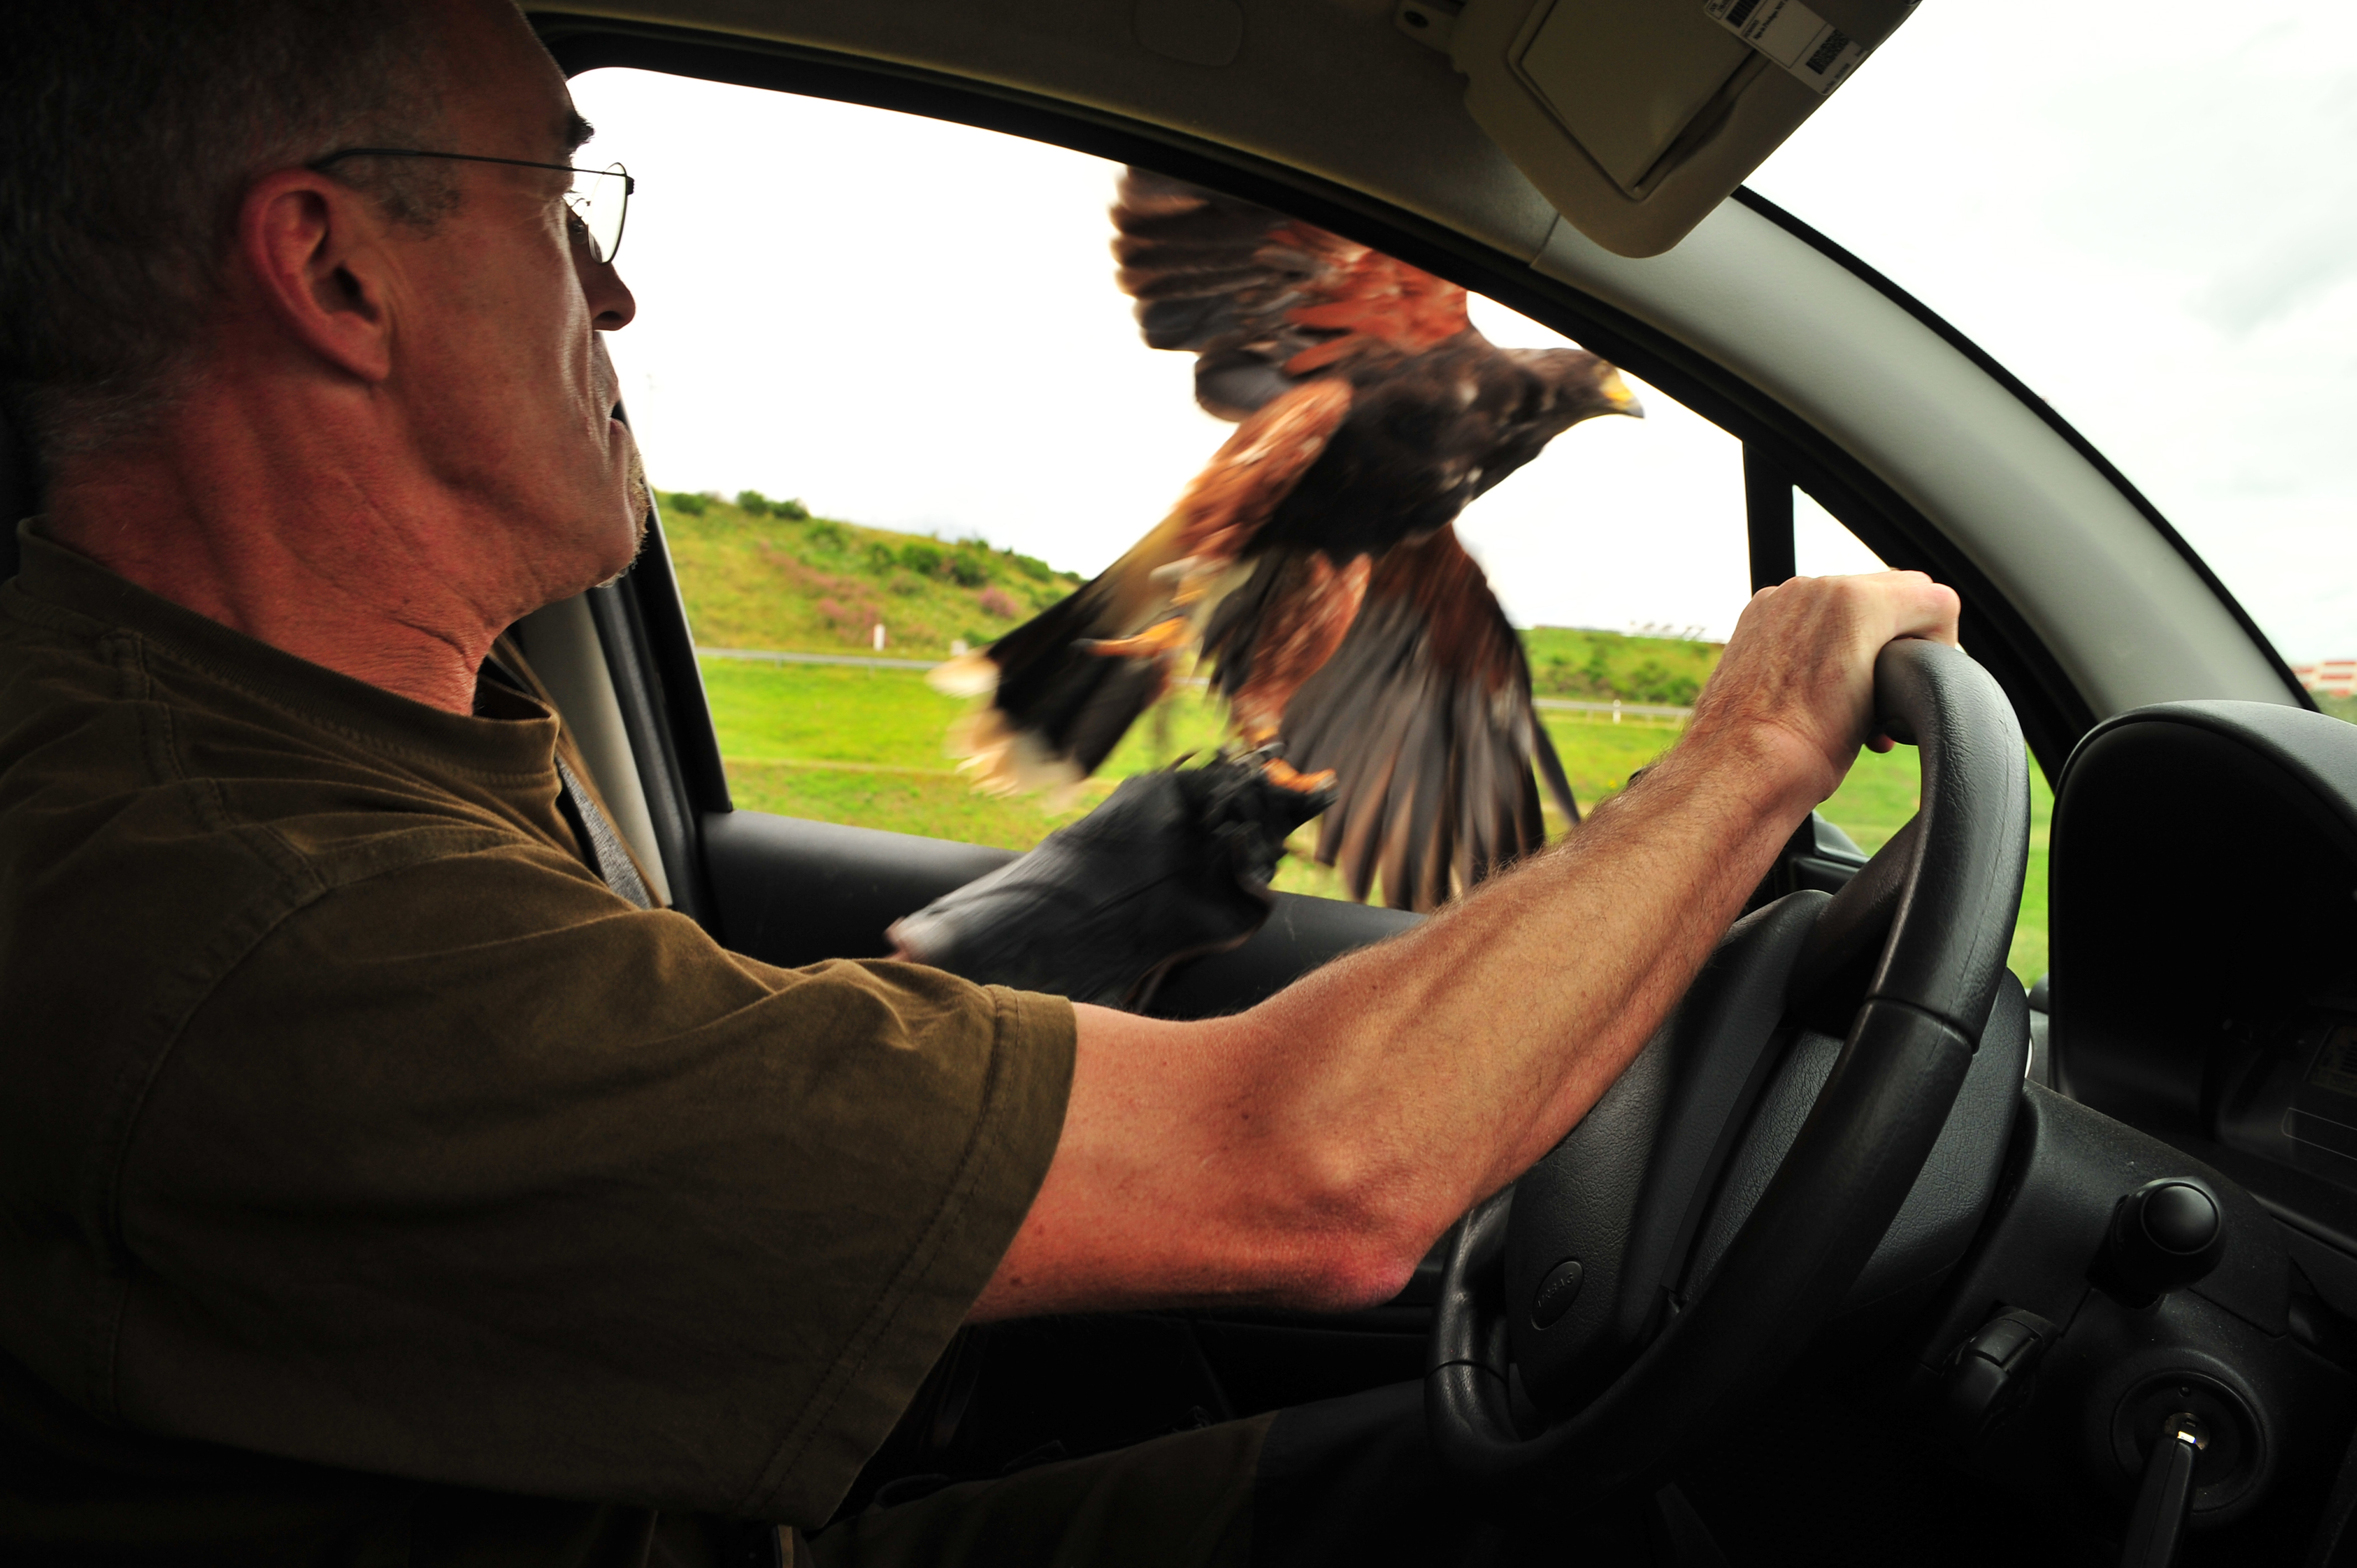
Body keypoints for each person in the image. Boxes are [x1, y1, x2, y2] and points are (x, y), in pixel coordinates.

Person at [0, 1, 1960, 1564]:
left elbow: (678, 1076)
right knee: (1589, 1490)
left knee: (1532, 1477)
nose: (614, 302)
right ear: (335, 274)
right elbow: (1320, 1179)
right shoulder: (250, 917)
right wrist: (1755, 746)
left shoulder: (335, 729)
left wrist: (1100, 889)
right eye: (556, 205)